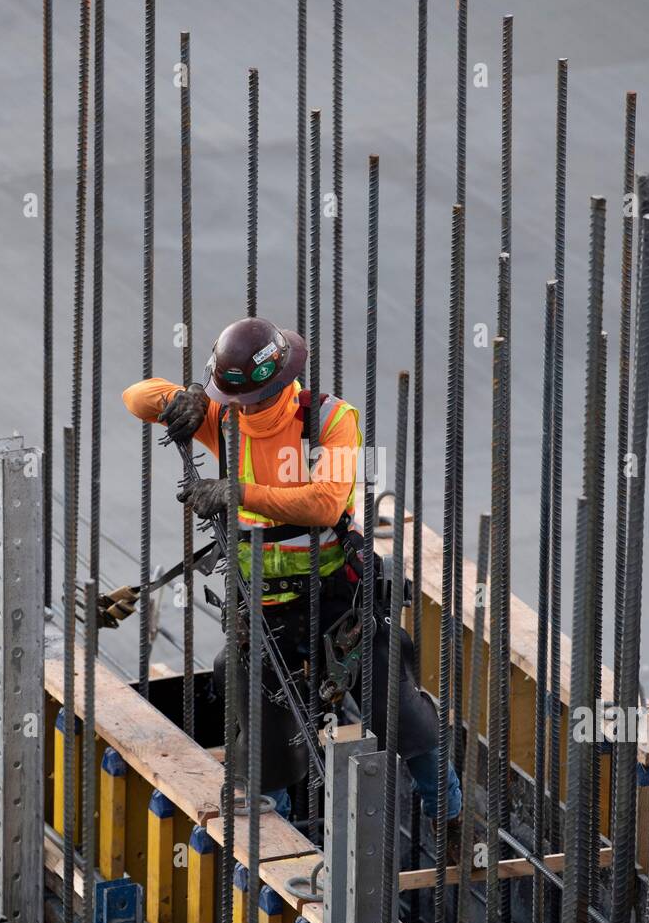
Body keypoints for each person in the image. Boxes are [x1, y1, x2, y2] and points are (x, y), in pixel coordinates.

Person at [123, 316, 462, 854]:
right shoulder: (223, 414)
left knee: (392, 703)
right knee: (256, 708)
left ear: (282, 385)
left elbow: (326, 501)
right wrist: (181, 399)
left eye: (255, 400)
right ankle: (275, 831)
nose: (245, 410)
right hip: (264, 606)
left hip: (338, 599)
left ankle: (442, 799)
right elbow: (135, 396)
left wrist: (239, 492)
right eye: (235, 399)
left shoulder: (330, 419)